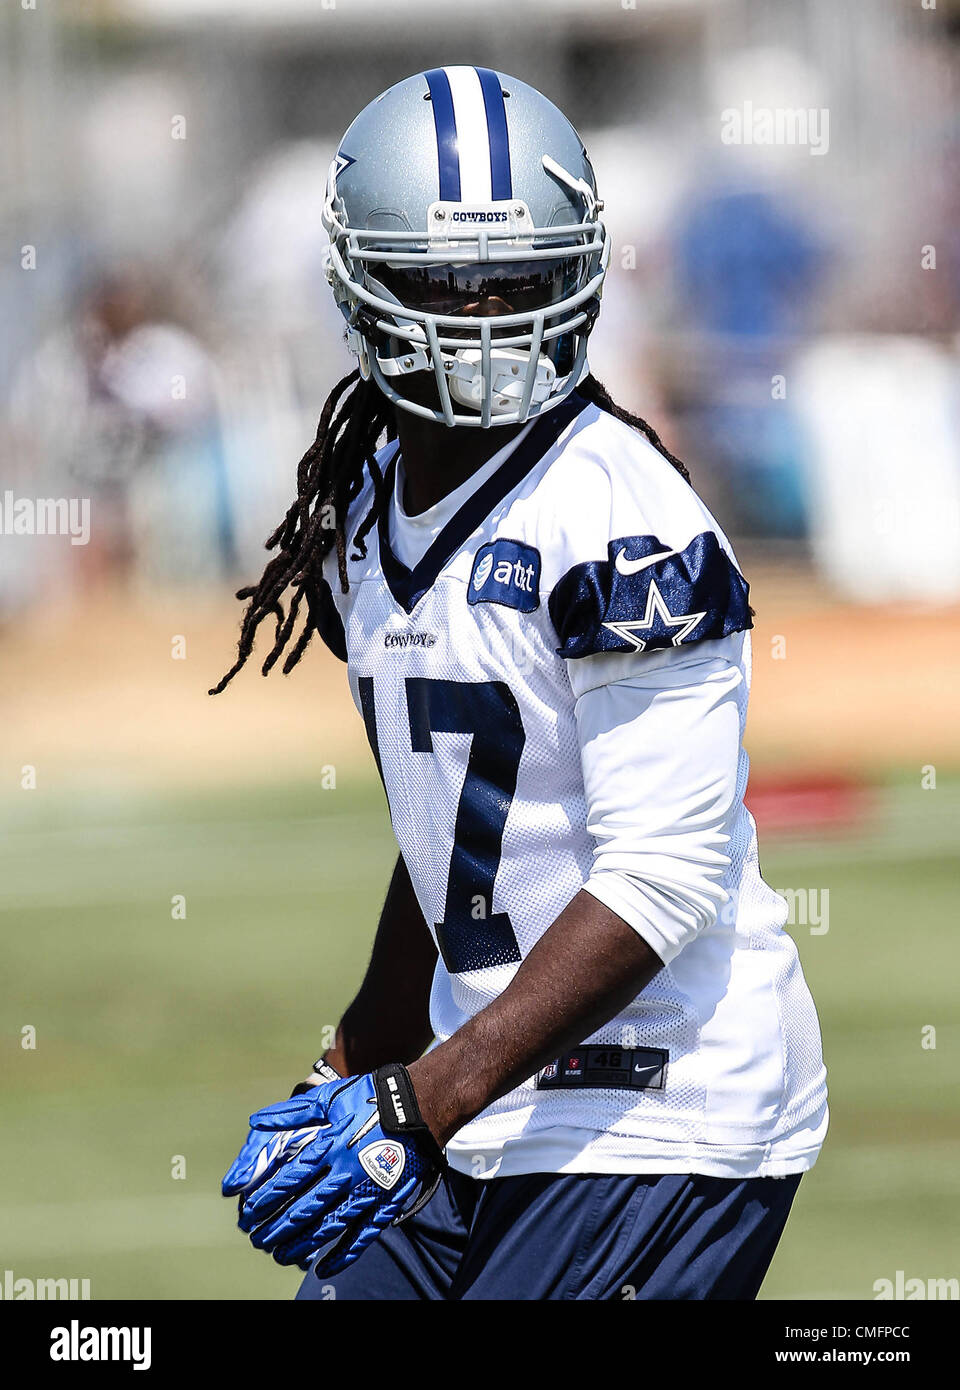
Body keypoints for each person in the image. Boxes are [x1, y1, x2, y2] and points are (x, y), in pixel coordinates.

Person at [215, 66, 827, 1301]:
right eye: (447, 282)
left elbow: (665, 871)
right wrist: (376, 1038)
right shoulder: (362, 511)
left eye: (521, 278)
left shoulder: (620, 508)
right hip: (481, 1094)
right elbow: (455, 826)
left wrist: (418, 1102)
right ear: (361, 282)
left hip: (662, 1114)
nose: (485, 317)